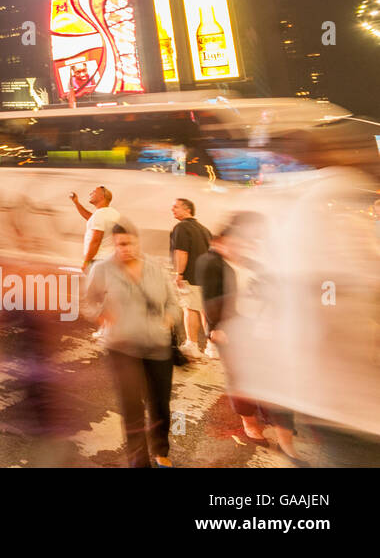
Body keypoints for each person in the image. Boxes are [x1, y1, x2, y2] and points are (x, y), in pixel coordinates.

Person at [195, 213, 301, 462]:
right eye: (243, 238)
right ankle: (249, 421)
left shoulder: (258, 262)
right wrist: (215, 329)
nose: (249, 243)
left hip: (264, 331)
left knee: (277, 383)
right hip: (231, 335)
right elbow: (209, 300)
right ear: (226, 239)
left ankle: (286, 438)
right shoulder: (212, 262)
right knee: (240, 380)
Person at [83, 221, 184, 468]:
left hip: (157, 347)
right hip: (122, 348)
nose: (125, 249)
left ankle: (161, 452)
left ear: (138, 242)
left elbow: (173, 302)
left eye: (129, 243)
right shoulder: (103, 269)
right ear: (114, 244)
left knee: (160, 404)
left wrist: (169, 319)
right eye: (120, 244)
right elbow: (87, 302)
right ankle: (138, 462)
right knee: (132, 408)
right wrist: (100, 315)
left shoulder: (154, 268)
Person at [169, 198, 213, 360]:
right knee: (204, 310)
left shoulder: (181, 227)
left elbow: (181, 252)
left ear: (187, 210)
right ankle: (212, 346)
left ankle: (192, 345)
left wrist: (179, 274)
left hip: (191, 276)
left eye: (176, 207)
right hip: (206, 276)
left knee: (190, 309)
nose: (172, 210)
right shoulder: (204, 229)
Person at [72, 185, 119, 274]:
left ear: (102, 196)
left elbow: (96, 241)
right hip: (109, 260)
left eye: (94, 192)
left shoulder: (100, 215)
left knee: (95, 287)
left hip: (98, 261)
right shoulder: (112, 213)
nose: (91, 193)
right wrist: (76, 203)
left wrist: (86, 262)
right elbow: (91, 218)